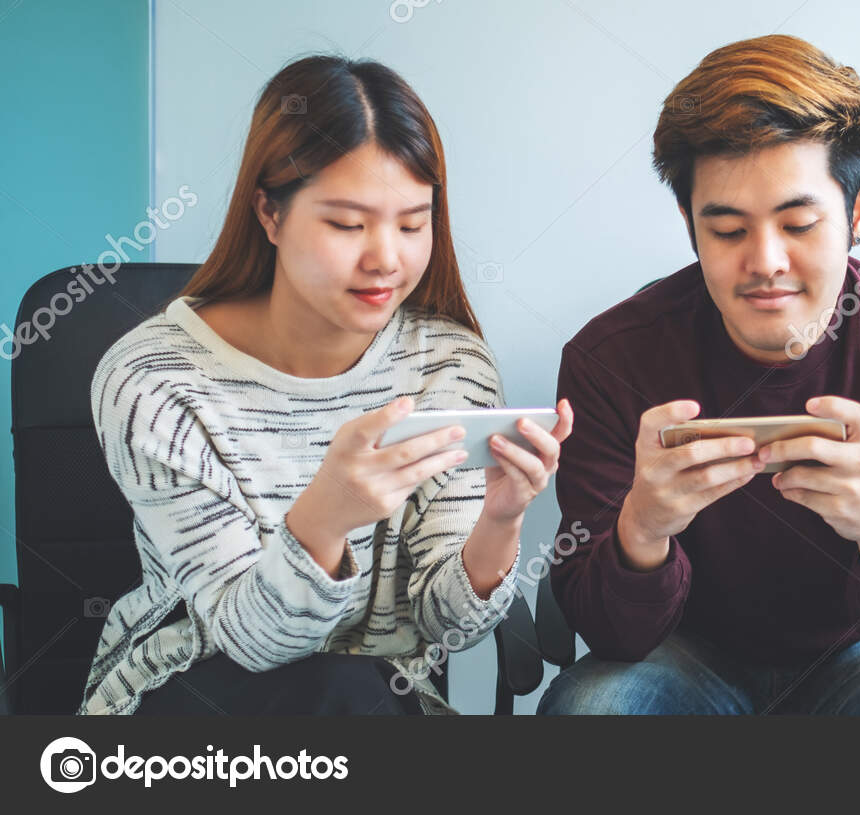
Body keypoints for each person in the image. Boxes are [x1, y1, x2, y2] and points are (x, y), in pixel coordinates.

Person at [81, 56, 572, 715]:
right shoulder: (153, 379)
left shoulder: (450, 366)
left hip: (377, 702)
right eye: (347, 224)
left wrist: (502, 520)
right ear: (271, 214)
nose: (386, 259)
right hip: (192, 692)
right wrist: (324, 517)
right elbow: (250, 644)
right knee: (331, 686)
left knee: (350, 689)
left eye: (412, 223)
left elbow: (448, 628)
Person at [538, 35, 860, 715]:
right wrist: (643, 528)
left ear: (859, 212)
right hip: (680, 650)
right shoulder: (610, 360)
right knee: (595, 708)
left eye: (799, 223)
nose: (765, 262)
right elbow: (610, 637)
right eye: (727, 231)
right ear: (689, 223)